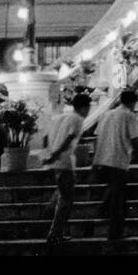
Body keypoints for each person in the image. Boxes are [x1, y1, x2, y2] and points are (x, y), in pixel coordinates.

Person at [92, 88, 138, 245]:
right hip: (118, 161)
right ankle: (115, 233)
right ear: (132, 102)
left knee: (114, 190)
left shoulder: (106, 115)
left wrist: (95, 163)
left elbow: (96, 137)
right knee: (118, 200)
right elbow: (135, 140)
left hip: (103, 159)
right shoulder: (129, 116)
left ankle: (102, 209)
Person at [42, 92, 91, 244]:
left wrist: (49, 154)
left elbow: (45, 138)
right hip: (64, 163)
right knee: (66, 200)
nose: (88, 110)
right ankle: (54, 233)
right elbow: (69, 138)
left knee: (62, 195)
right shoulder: (77, 119)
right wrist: (56, 154)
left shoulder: (60, 117)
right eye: (88, 107)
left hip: (56, 163)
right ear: (83, 108)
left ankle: (51, 221)